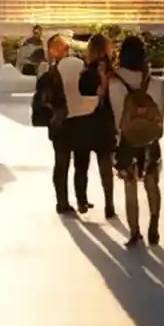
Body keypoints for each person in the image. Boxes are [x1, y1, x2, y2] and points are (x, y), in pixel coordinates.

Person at [109, 35, 164, 247]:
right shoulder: (156, 84)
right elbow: (162, 114)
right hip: (150, 141)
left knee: (130, 187)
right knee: (152, 184)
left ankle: (134, 232)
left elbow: (115, 118)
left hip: (126, 141)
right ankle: (154, 223)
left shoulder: (114, 83)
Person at [47, 34, 99, 215]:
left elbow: (45, 97)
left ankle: (62, 202)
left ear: (52, 51)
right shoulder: (80, 64)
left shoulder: (50, 71)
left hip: (62, 121)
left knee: (61, 163)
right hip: (84, 118)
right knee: (81, 163)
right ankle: (82, 200)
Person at [73, 34, 117, 219]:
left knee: (81, 165)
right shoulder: (113, 72)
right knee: (105, 165)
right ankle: (109, 204)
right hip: (104, 122)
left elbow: (81, 94)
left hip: (83, 122)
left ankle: (82, 201)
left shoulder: (85, 73)